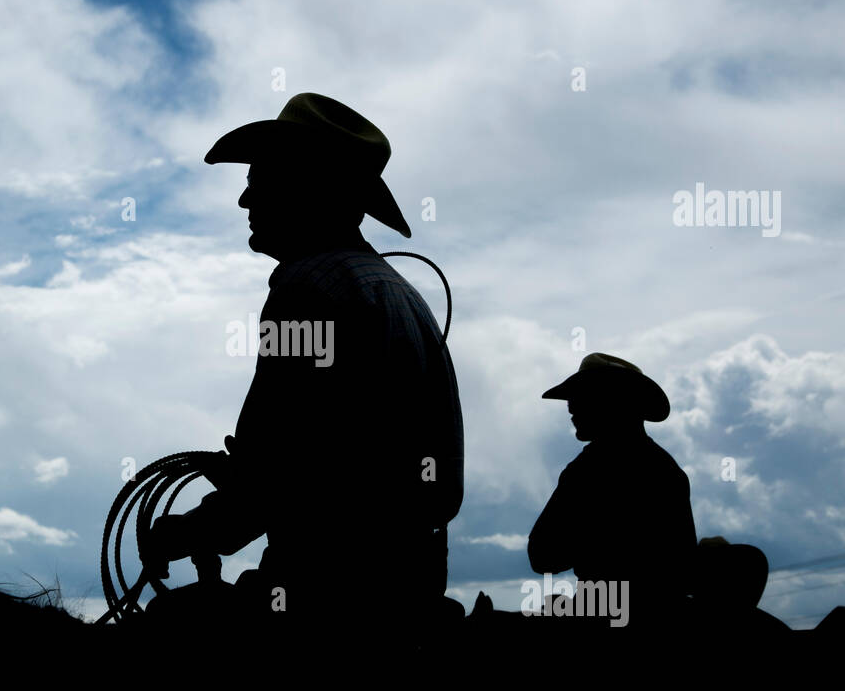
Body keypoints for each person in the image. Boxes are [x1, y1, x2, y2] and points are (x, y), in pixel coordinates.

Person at [142, 93, 464, 632]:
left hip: (326, 590)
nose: (245, 199)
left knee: (167, 628)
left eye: (261, 179)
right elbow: (334, 449)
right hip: (411, 581)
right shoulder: (397, 293)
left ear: (306, 186)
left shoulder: (307, 289)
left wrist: (187, 532)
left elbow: (274, 478)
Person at [527, 353, 694, 628]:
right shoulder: (667, 470)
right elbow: (683, 570)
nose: (571, 410)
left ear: (611, 402)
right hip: (663, 620)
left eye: (582, 400)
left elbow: (543, 554)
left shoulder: (586, 470)